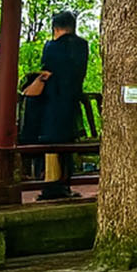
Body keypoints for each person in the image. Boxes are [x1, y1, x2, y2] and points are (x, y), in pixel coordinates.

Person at [36, 10, 89, 199]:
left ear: (56, 28)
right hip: (72, 100)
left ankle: (51, 186)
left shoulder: (51, 47)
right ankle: (65, 184)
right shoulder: (82, 46)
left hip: (53, 101)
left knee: (51, 144)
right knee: (68, 143)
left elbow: (46, 68)